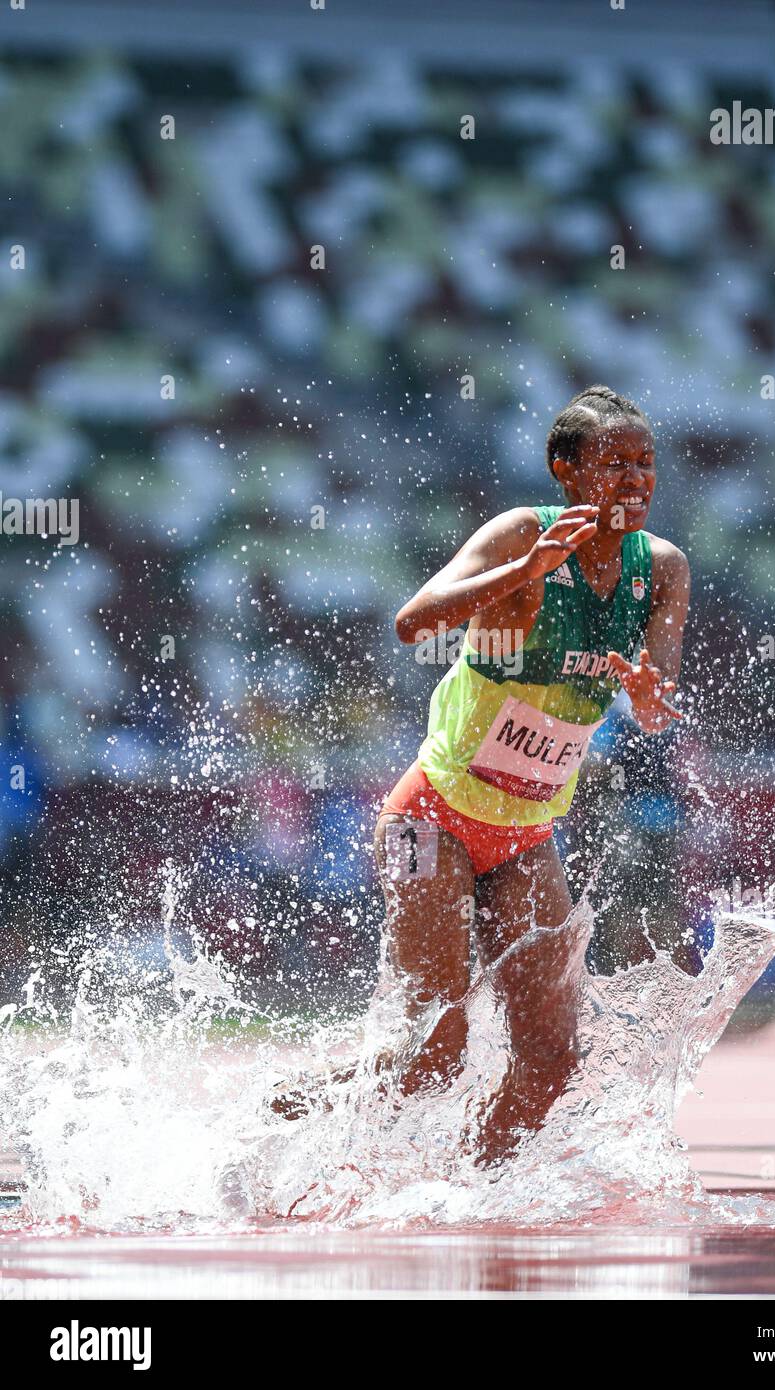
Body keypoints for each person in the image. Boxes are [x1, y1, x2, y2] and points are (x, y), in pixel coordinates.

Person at [273, 385, 691, 1167]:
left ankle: (469, 1191)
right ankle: (273, 1116)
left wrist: (647, 692)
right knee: (432, 1057)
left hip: (527, 835)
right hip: (428, 822)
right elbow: (412, 622)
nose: (635, 479)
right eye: (614, 463)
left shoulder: (663, 569)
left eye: (646, 462)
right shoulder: (519, 534)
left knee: (553, 1062)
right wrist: (526, 571)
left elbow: (661, 699)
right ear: (565, 470)